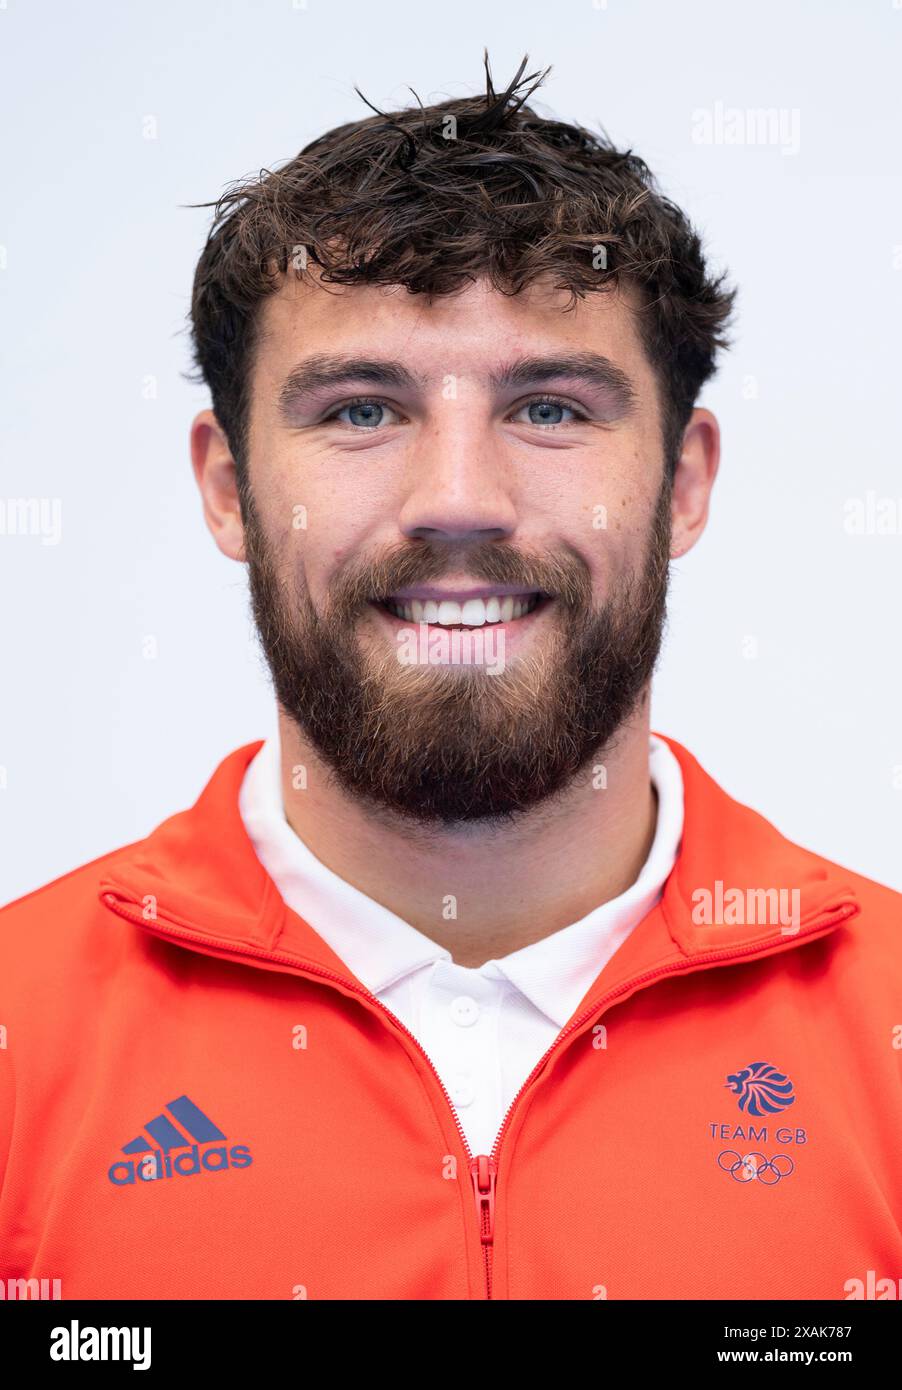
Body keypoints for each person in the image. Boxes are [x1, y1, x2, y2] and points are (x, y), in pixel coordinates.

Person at [1, 54, 899, 1302]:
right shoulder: (16, 1039)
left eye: (549, 407)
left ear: (683, 482)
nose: (459, 502)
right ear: (227, 488)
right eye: (362, 412)